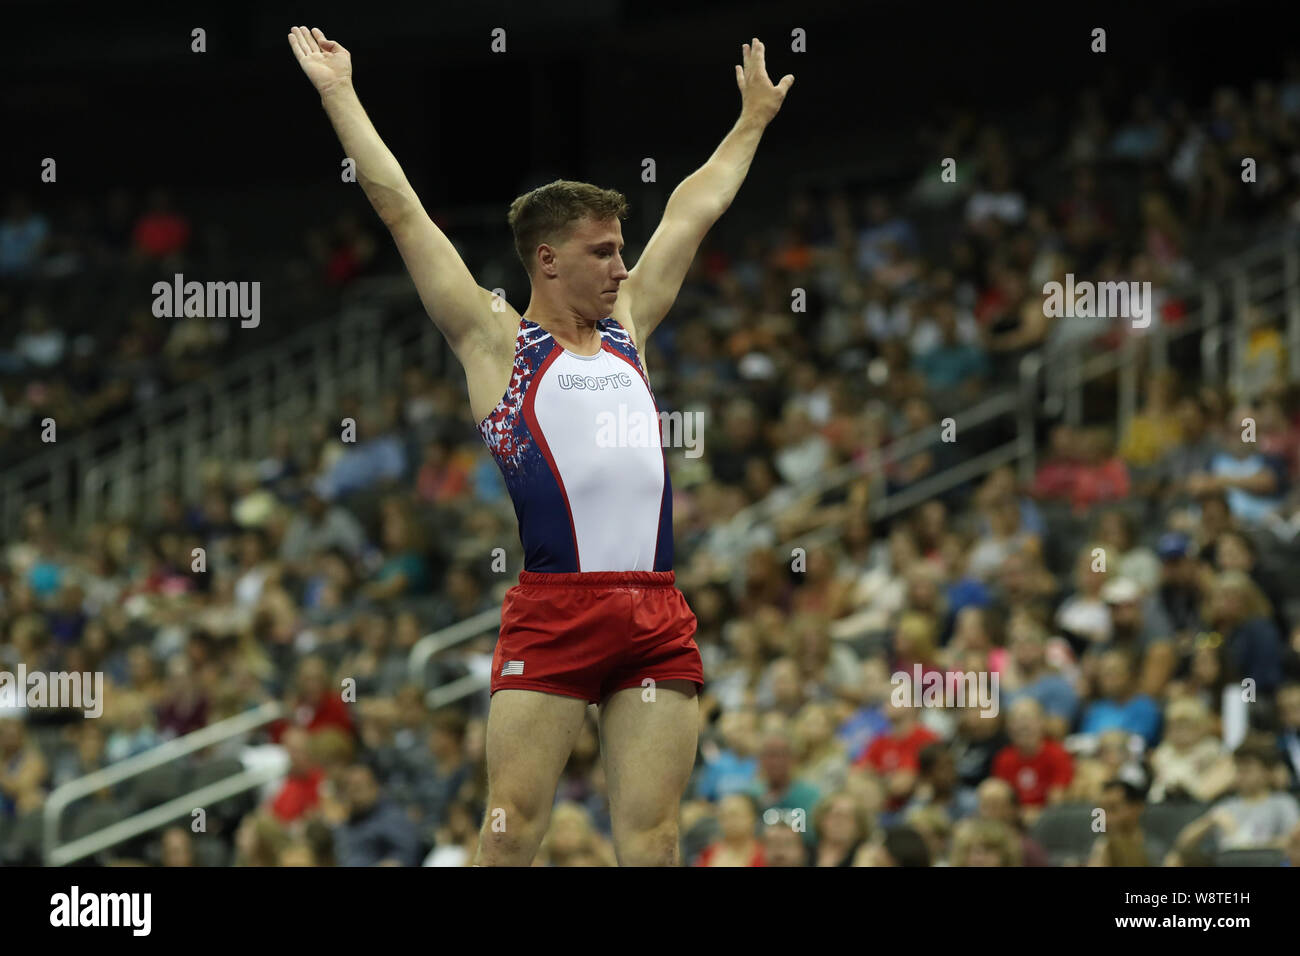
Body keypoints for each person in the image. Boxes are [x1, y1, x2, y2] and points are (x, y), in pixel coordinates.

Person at [289, 26, 794, 866]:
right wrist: (340, 91)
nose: (623, 268)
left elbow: (693, 208)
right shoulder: (499, 345)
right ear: (548, 260)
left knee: (655, 835)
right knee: (512, 827)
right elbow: (400, 209)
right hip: (557, 610)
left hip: (657, 608)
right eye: (604, 253)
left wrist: (751, 121)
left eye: (622, 251)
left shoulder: (629, 329)